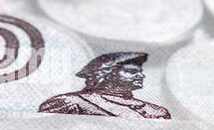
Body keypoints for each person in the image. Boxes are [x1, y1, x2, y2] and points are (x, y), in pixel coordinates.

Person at [38, 51, 171, 118]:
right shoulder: (69, 102)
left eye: (140, 71)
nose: (141, 76)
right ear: (105, 73)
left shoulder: (156, 111)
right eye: (131, 71)